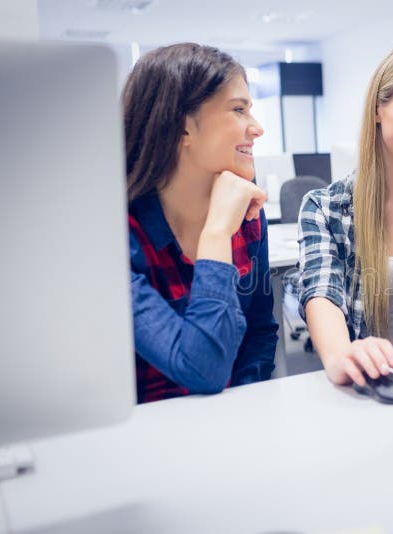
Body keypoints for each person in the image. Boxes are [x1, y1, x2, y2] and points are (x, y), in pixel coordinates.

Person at [123, 43, 278, 403]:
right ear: (182, 127)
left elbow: (260, 332)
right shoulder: (118, 236)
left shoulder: (249, 219)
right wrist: (217, 233)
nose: (256, 129)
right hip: (146, 437)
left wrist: (245, 408)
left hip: (229, 428)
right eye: (239, 110)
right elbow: (203, 368)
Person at [298, 46, 393, 387]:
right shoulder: (326, 207)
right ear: (378, 110)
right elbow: (323, 292)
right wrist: (339, 355)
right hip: (389, 382)